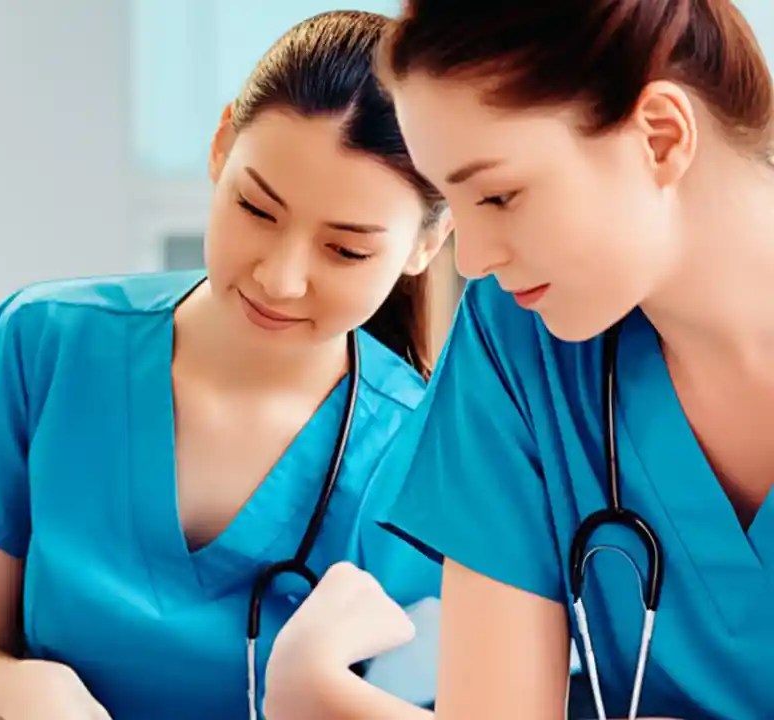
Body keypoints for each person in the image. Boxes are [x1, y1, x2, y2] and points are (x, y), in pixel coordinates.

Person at [0, 10, 451, 720]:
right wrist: (23, 688)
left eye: (345, 250)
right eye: (256, 209)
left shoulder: (425, 460)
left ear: (427, 244)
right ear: (220, 147)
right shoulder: (42, 348)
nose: (280, 277)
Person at [311, 0, 774, 718]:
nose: (474, 257)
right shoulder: (519, 338)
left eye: (499, 196)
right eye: (455, 205)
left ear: (658, 137)